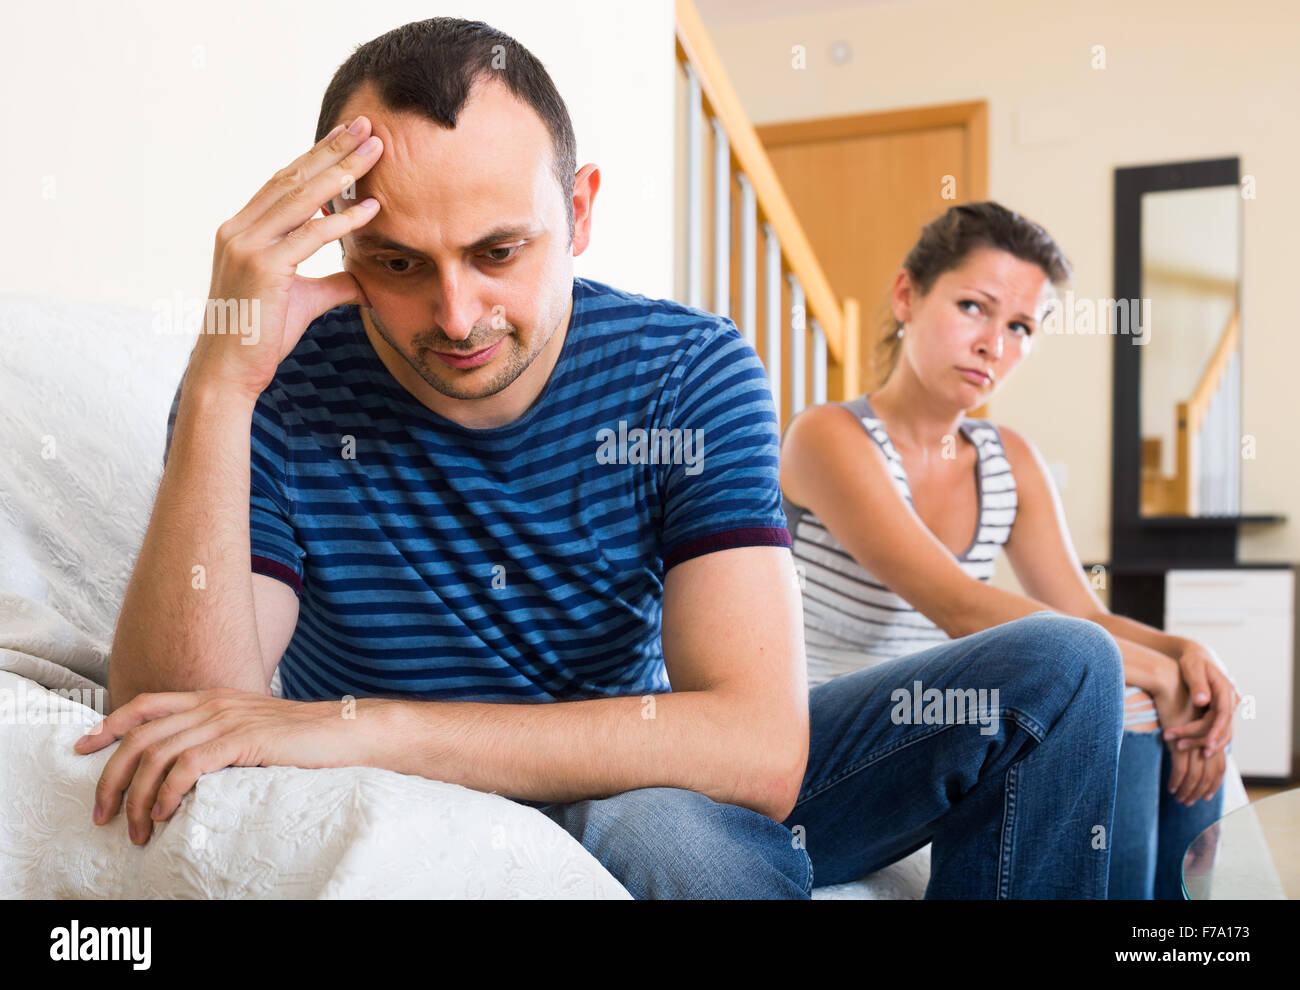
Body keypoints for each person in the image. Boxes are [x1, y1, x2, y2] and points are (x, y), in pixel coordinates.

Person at [79, 19, 1122, 899]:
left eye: (499, 253)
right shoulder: (275, 380)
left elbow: (758, 746)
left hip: (624, 756)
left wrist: (368, 726)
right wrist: (222, 383)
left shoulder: (686, 369)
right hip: (604, 802)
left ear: (577, 213)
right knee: (661, 837)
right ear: (337, 244)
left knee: (1066, 666)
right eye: (395, 263)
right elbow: (180, 727)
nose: (456, 316)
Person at [779, 201, 1240, 899]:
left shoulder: (1008, 460)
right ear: (907, 295)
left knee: (1175, 699)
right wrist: (1151, 674)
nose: (995, 343)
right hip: (843, 732)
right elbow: (959, 607)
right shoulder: (827, 437)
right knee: (1132, 688)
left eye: (1020, 326)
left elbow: (1082, 612)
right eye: (973, 307)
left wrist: (1184, 657)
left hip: (950, 723)